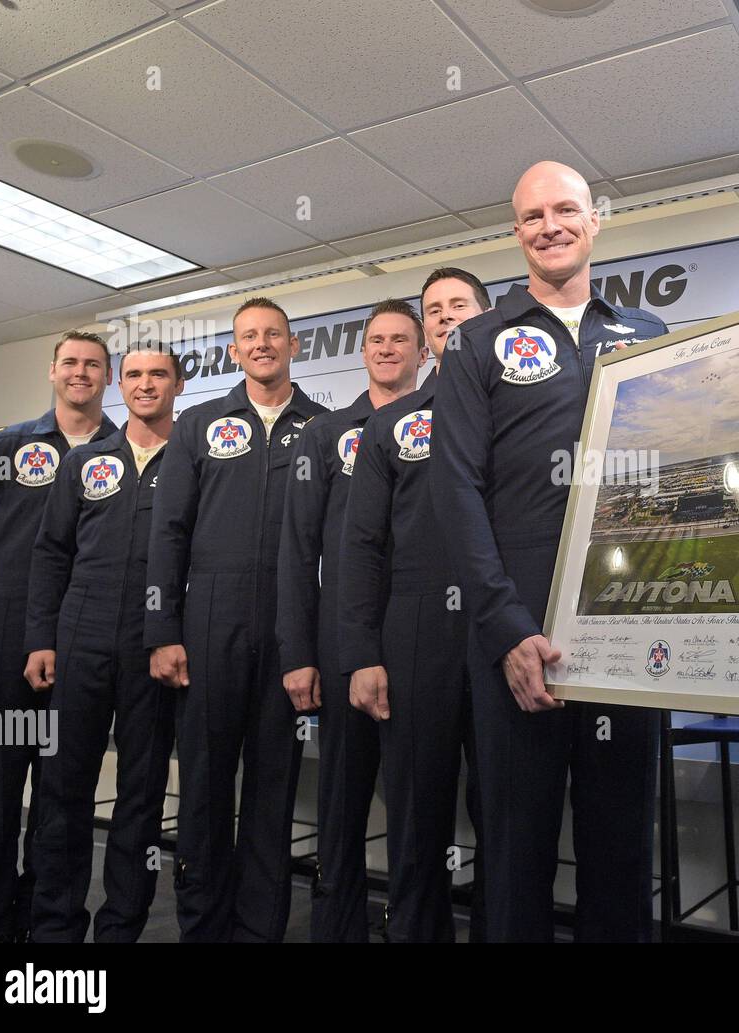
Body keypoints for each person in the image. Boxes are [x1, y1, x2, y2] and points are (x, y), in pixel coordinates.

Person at [430, 163, 668, 941]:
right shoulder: (473, 342)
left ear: (594, 220)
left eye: (565, 209)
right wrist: (504, 628)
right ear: (516, 232)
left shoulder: (648, 336)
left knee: (621, 849)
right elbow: (456, 489)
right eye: (532, 215)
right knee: (514, 852)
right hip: (515, 635)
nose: (550, 226)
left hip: (629, 626)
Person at [145, 297, 328, 942]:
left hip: (289, 628)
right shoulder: (197, 426)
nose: (262, 344)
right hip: (208, 625)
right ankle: (202, 926)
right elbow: (168, 533)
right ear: (234, 350)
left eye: (273, 334)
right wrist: (163, 631)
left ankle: (259, 931)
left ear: (293, 345)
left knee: (273, 791)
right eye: (248, 336)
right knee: (202, 785)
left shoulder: (324, 429)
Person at [340, 270, 491, 942]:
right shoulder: (393, 424)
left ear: (489, 318)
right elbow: (361, 547)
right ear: (427, 336)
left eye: (459, 305)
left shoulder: (516, 413)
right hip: (415, 629)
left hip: (501, 631)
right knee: (416, 813)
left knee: (507, 814)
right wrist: (364, 654)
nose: (446, 317)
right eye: (434, 310)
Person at [0, 330, 116, 943]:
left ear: (107, 376)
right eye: (70, 363)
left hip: (81, 645)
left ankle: (51, 933)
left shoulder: (121, 453)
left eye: (93, 365)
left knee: (64, 804)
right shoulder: (11, 445)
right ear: (53, 372)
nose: (81, 373)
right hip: (6, 643)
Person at [276, 299, 427, 942]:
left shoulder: (444, 425)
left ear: (422, 353)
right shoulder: (327, 432)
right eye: (377, 340)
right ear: (363, 352)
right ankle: (336, 931)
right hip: (343, 647)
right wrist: (298, 652)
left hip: (422, 644)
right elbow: (296, 548)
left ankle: (410, 926)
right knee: (341, 804)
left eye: (401, 339)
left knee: (418, 812)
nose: (388, 348)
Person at [25, 343, 184, 942]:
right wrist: (42, 638)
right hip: (79, 640)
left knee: (140, 797)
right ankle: (55, 929)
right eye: (136, 375)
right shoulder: (86, 463)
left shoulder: (191, 461)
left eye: (159, 375)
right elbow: (51, 553)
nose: (146, 385)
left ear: (177, 383)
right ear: (120, 384)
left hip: (155, 647)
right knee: (63, 791)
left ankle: (120, 928)